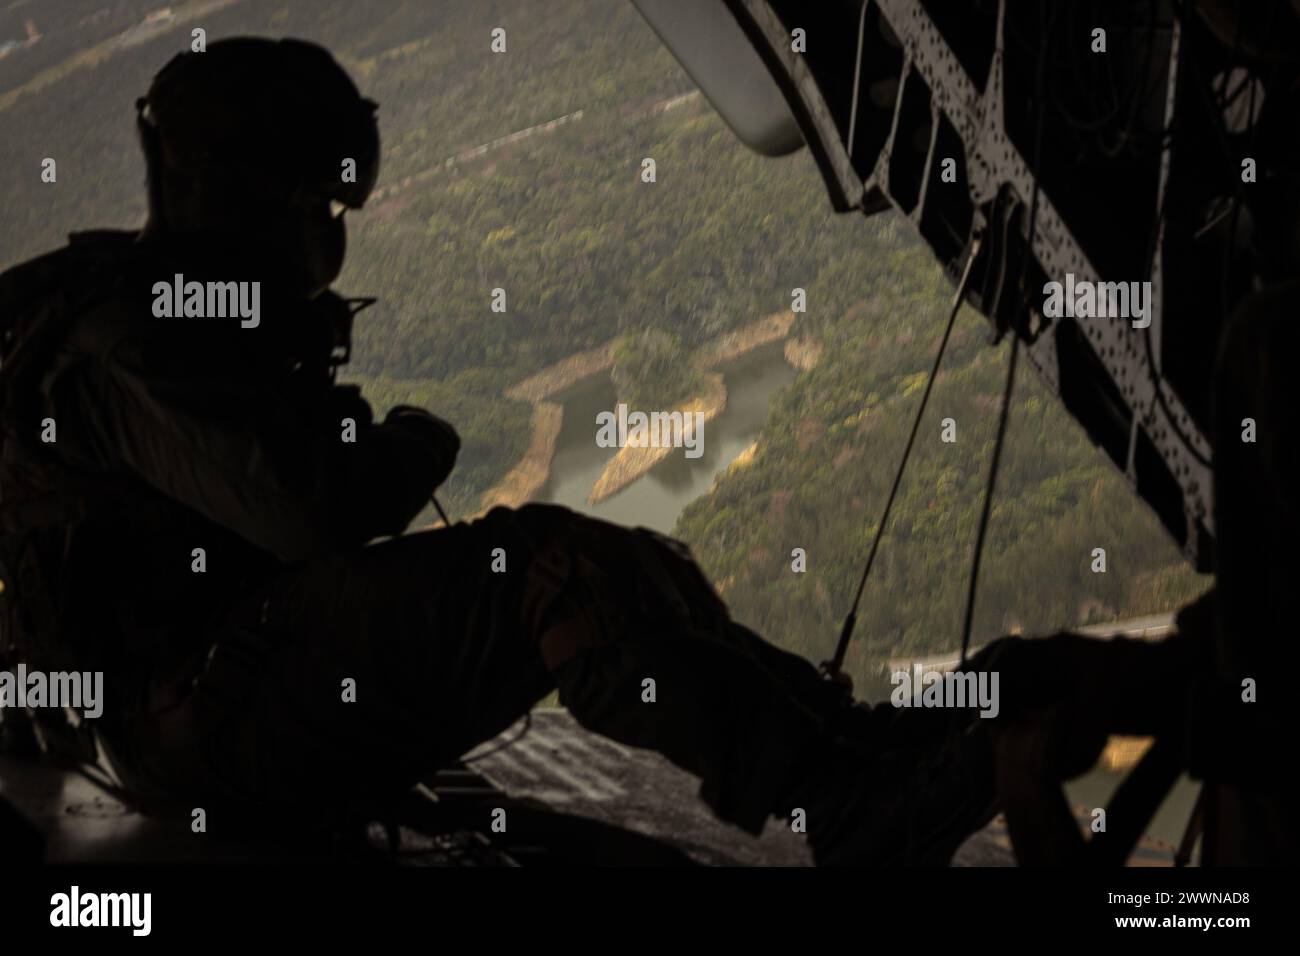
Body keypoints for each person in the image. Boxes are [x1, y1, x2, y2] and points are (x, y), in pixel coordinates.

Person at [0, 37, 996, 866]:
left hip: (200, 686)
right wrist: (410, 442)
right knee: (554, 575)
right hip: (198, 718)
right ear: (253, 198)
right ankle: (843, 797)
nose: (326, 231)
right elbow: (317, 509)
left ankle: (840, 746)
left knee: (632, 564)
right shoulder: (135, 339)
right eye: (316, 205)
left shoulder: (138, 305)